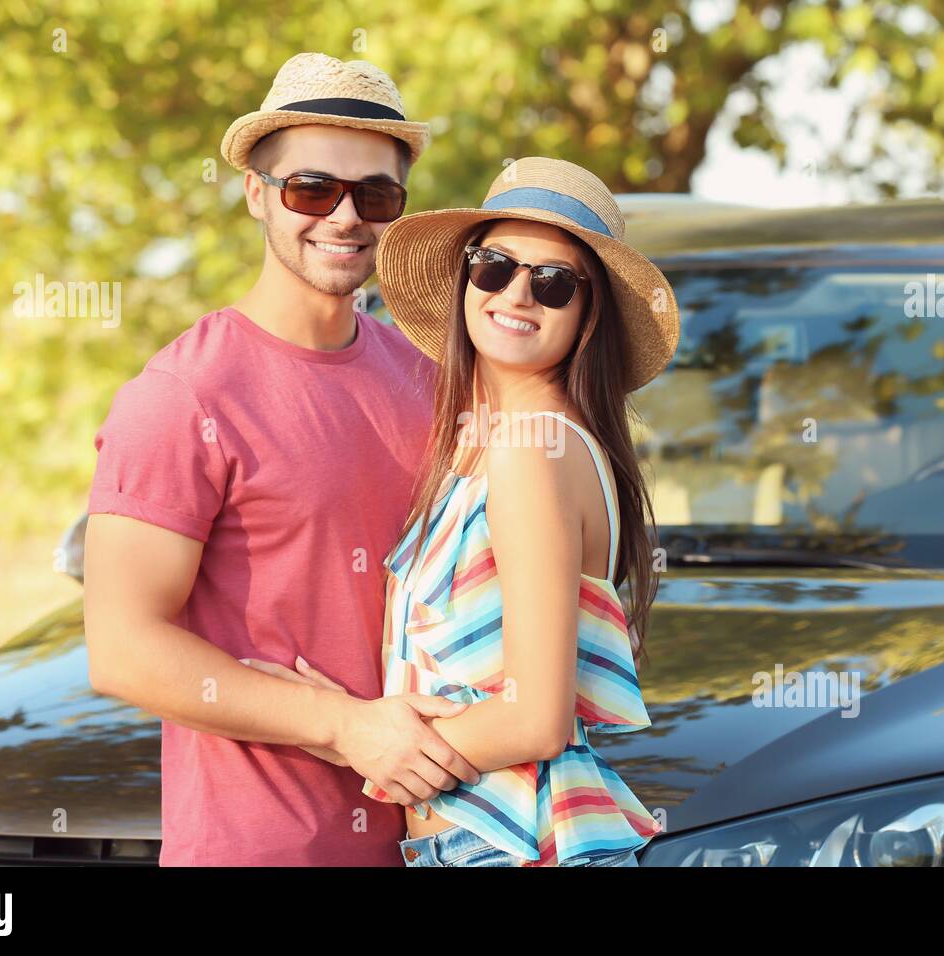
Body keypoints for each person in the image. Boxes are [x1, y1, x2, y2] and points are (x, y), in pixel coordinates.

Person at [81, 52, 481, 867]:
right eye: (311, 188)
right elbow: (122, 648)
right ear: (257, 193)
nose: (343, 216)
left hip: (447, 843)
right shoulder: (185, 395)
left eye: (374, 194)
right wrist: (344, 726)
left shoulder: (434, 385)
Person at [294, 156, 680, 866]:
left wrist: (367, 746)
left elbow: (537, 720)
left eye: (555, 283)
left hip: (500, 846)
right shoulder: (502, 445)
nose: (517, 295)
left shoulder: (533, 453)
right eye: (494, 265)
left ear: (591, 313)